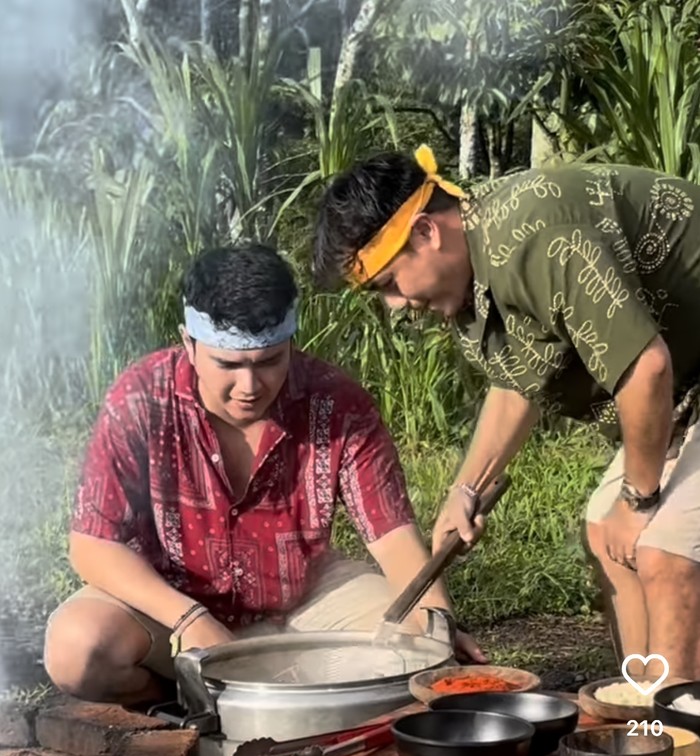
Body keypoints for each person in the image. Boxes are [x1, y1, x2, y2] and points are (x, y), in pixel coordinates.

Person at [313, 146, 700, 682]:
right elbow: (519, 382)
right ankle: (641, 714)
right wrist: (465, 488)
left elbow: (647, 369)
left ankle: (681, 736)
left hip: (674, 376)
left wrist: (640, 498)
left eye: (389, 284)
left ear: (426, 232)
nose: (395, 306)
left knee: (664, 551)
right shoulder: (474, 273)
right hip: (684, 383)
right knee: (604, 535)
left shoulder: (537, 236)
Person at [44, 244, 481, 707]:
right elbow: (93, 544)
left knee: (421, 650)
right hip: (171, 602)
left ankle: (270, 699)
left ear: (291, 341)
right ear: (188, 344)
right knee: (77, 648)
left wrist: (437, 621)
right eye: (229, 365)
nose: (250, 387)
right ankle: (181, 704)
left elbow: (391, 534)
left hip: (305, 598)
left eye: (270, 361)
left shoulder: (337, 402)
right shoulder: (140, 400)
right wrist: (190, 618)